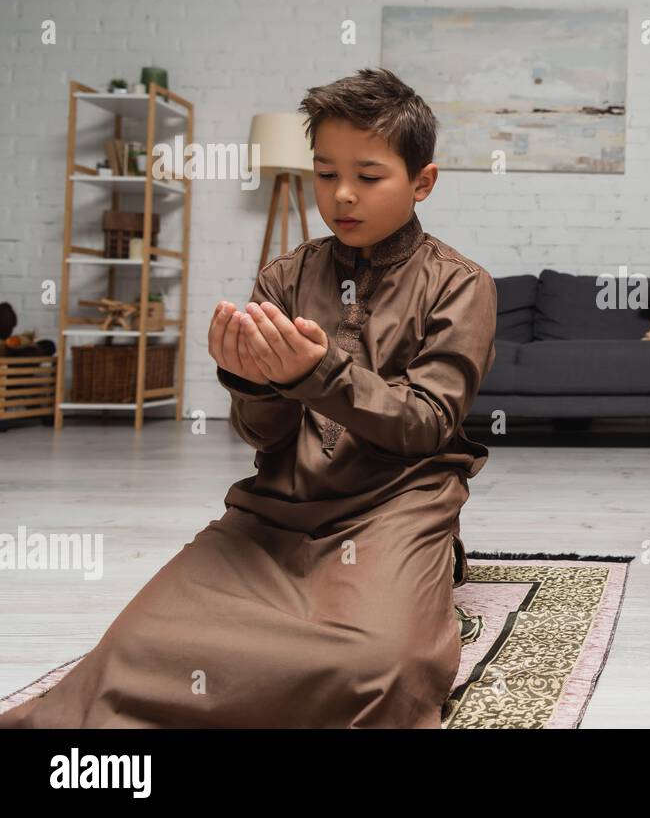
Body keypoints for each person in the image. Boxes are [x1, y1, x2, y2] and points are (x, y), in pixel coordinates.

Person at [1, 68, 496, 727]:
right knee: (133, 651)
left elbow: (427, 425)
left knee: (381, 667)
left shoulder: (461, 285)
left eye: (368, 176)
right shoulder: (284, 277)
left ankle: (411, 573)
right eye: (325, 173)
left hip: (395, 503)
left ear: (422, 182)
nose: (341, 194)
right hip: (277, 510)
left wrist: (319, 372)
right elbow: (264, 437)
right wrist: (257, 381)